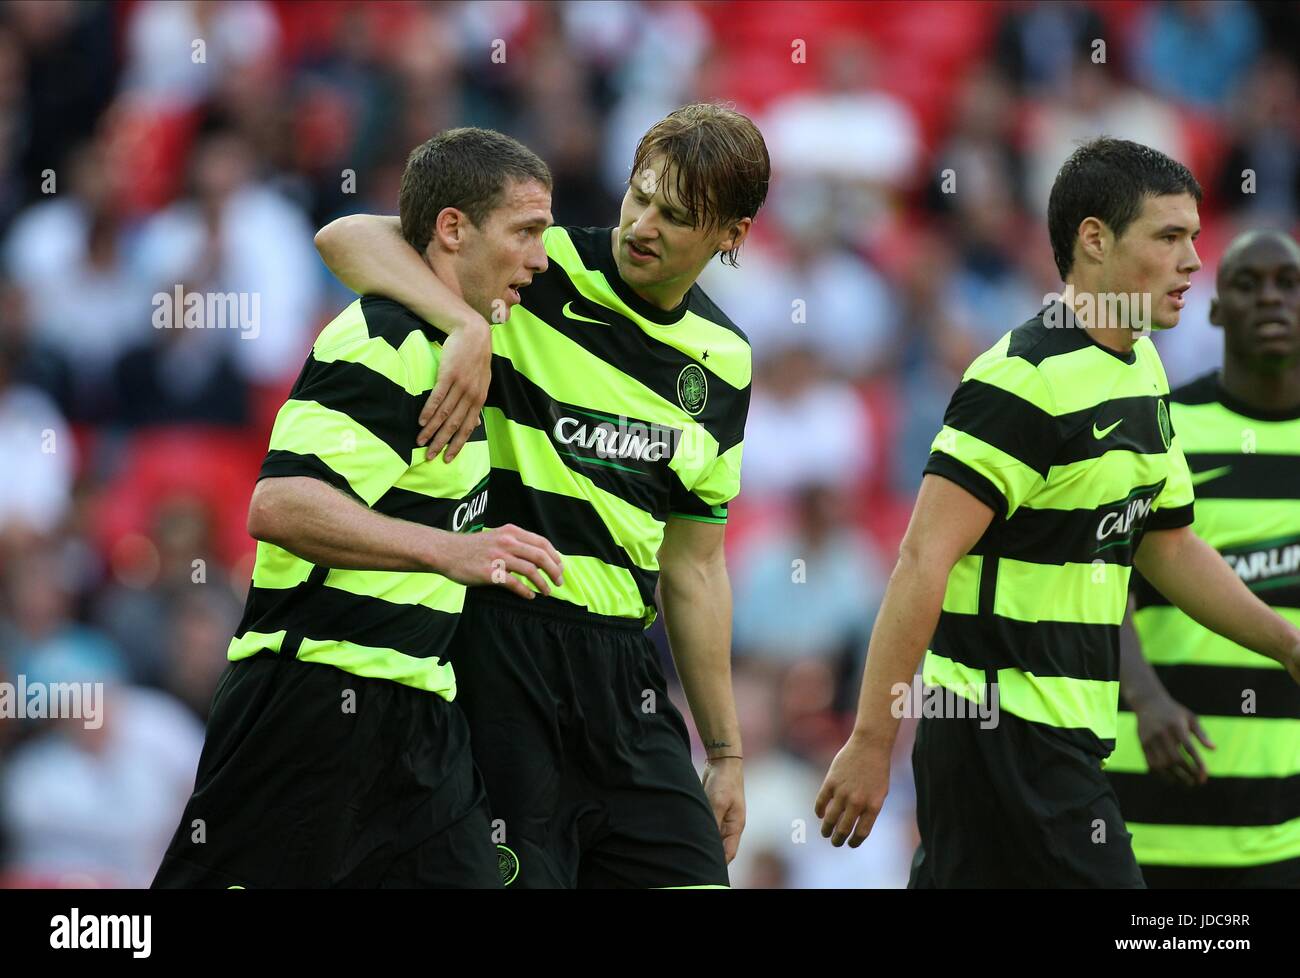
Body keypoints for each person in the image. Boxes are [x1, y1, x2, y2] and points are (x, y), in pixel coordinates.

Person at [814, 137, 1300, 888]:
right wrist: (872, 740)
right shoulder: (1022, 381)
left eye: (1195, 238)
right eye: (1169, 237)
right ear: (1095, 240)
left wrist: (1286, 644)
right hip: (1001, 726)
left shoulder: (1140, 366)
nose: (1194, 262)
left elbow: (1166, 547)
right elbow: (921, 559)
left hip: (1054, 735)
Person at [313, 102, 770, 888]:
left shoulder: (724, 361)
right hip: (501, 652)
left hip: (627, 676)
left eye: (676, 216)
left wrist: (724, 752)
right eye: (640, 196)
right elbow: (343, 238)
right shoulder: (540, 265)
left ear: (731, 235)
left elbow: (694, 569)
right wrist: (463, 323)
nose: (642, 225)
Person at [152, 128, 563, 889]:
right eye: (527, 233)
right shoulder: (383, 338)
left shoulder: (477, 330)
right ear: (452, 230)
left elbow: (355, 231)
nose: (542, 257)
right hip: (307, 704)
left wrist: (470, 323)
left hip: (420, 716)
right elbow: (280, 506)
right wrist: (450, 550)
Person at [1108, 229, 1300, 887]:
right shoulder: (1164, 424)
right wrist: (1146, 696)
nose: (1271, 299)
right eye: (1248, 285)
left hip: (1283, 829)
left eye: (1288, 284)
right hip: (1148, 805)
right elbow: (1100, 578)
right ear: (1216, 311)